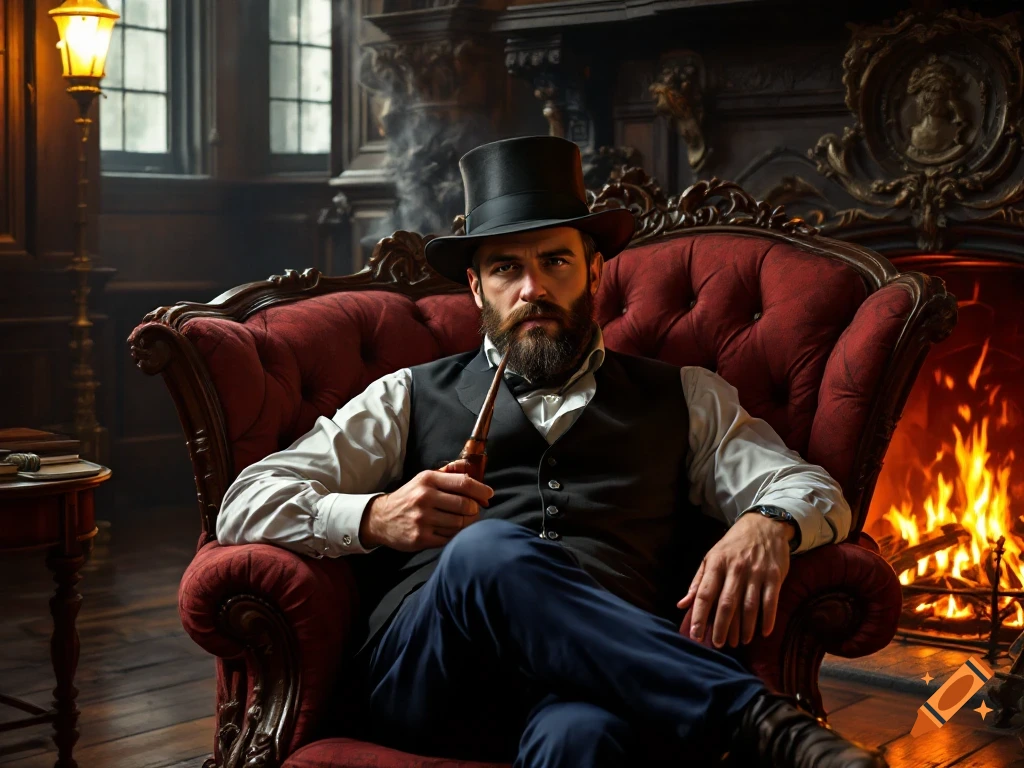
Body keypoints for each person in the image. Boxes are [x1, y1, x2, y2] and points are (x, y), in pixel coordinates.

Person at [217, 136, 887, 768]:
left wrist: (767, 525)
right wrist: (375, 517)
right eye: (507, 268)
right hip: (428, 681)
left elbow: (817, 493)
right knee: (484, 552)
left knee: (586, 741)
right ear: (476, 288)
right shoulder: (404, 396)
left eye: (555, 261)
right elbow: (242, 506)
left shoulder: (686, 396)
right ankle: (767, 729)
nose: (533, 289)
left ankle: (750, 726)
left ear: (594, 270)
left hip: (594, 688)